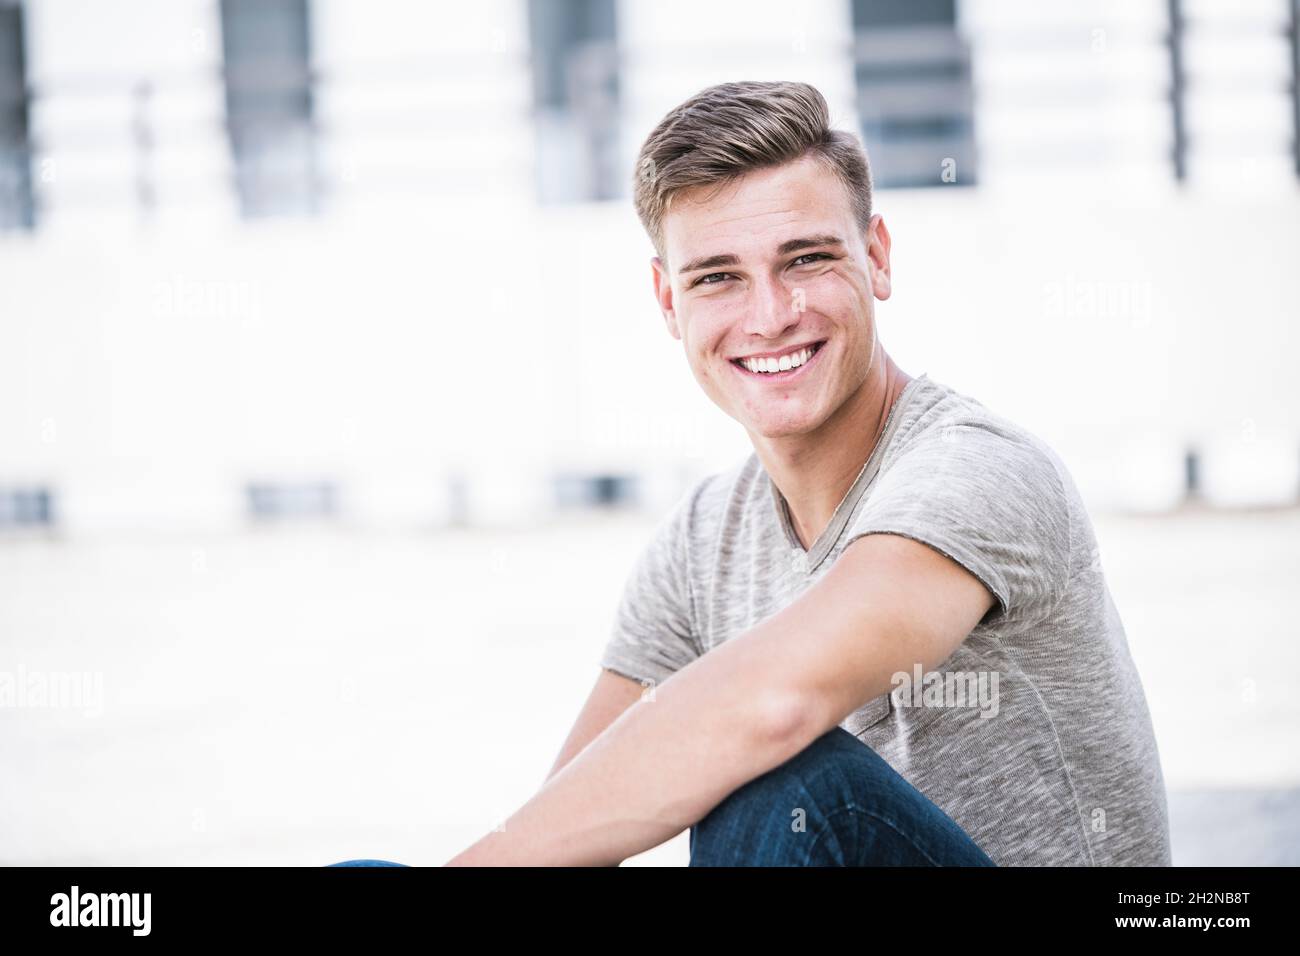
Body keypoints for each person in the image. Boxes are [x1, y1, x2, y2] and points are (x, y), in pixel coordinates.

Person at [339, 79, 1172, 868]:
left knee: (793, 781)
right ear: (669, 302)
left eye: (806, 259)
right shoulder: (702, 542)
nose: (771, 315)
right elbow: (564, 828)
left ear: (876, 258)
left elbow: (771, 705)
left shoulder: (976, 470)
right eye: (719, 277)